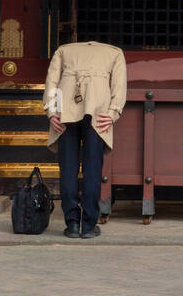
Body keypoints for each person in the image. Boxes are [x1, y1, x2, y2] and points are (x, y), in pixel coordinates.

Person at [43, 39, 127, 238]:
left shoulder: (63, 50)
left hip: (65, 111)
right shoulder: (114, 52)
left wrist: (51, 111)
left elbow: (51, 82)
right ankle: (89, 226)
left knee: (68, 170)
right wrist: (113, 113)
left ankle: (72, 224)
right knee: (92, 171)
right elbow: (119, 86)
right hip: (98, 114)